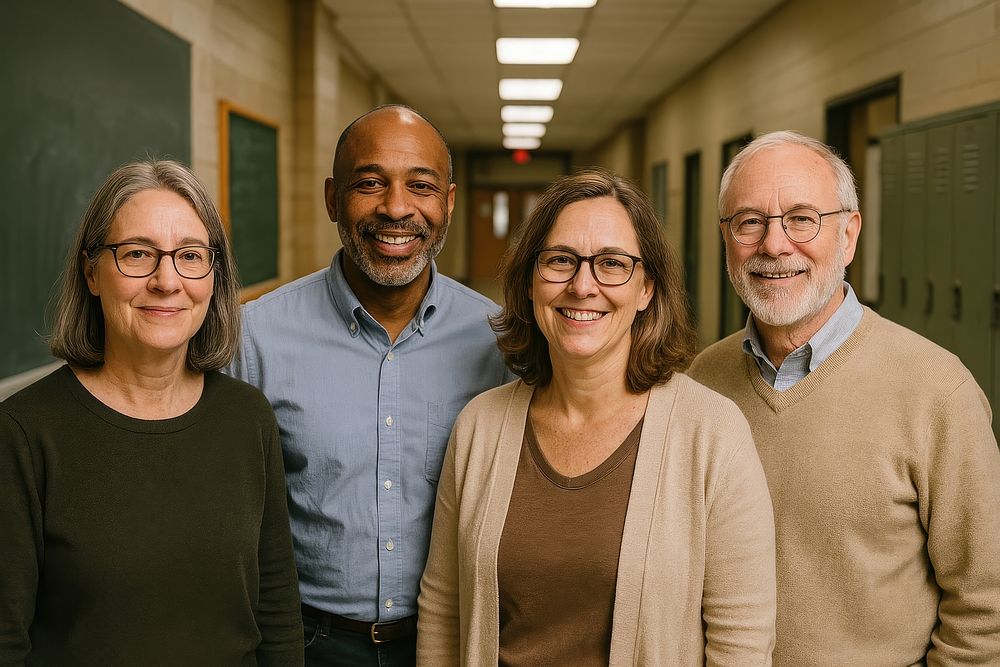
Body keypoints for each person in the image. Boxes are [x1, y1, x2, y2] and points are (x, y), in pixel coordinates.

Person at [417, 168, 776, 665]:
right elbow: (441, 609)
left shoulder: (712, 434)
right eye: (561, 260)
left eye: (612, 263)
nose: (583, 285)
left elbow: (743, 642)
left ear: (647, 288)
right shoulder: (480, 427)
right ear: (529, 283)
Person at [687, 130, 1000, 665]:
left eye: (802, 219)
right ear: (725, 237)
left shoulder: (937, 391)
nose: (775, 244)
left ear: (849, 235)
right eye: (750, 221)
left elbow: (985, 605)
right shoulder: (701, 382)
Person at [226, 104, 511, 666]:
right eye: (370, 182)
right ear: (333, 197)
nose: (397, 207)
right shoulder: (255, 339)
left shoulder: (500, 344)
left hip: (450, 644)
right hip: (305, 645)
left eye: (420, 186)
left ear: (448, 202)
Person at [0, 160, 303, 665]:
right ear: (91, 272)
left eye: (189, 256)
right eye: (138, 254)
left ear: (213, 276)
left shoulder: (247, 418)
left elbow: (276, 613)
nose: (167, 281)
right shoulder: (24, 434)